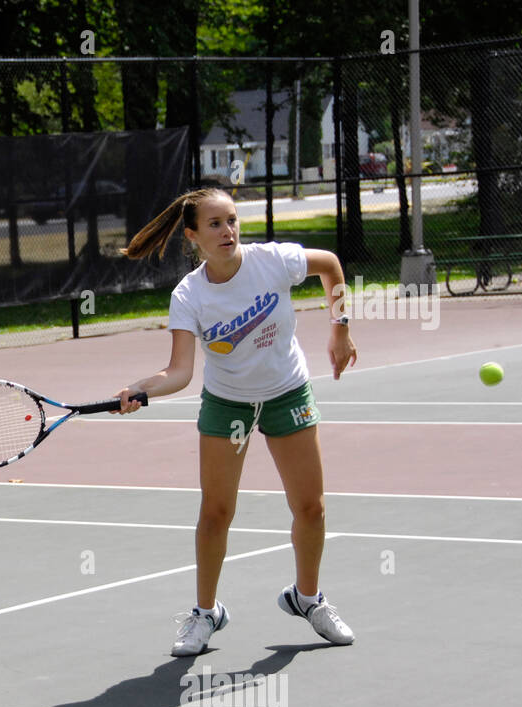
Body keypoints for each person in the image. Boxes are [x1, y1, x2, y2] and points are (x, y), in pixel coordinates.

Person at [114, 187, 358, 657]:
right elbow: (180, 371)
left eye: (231, 220)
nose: (227, 231)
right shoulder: (189, 294)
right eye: (214, 224)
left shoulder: (273, 261)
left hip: (287, 392)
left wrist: (340, 329)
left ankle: (307, 598)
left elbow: (329, 263)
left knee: (312, 508)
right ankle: (206, 614)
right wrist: (140, 388)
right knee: (216, 513)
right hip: (229, 405)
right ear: (193, 237)